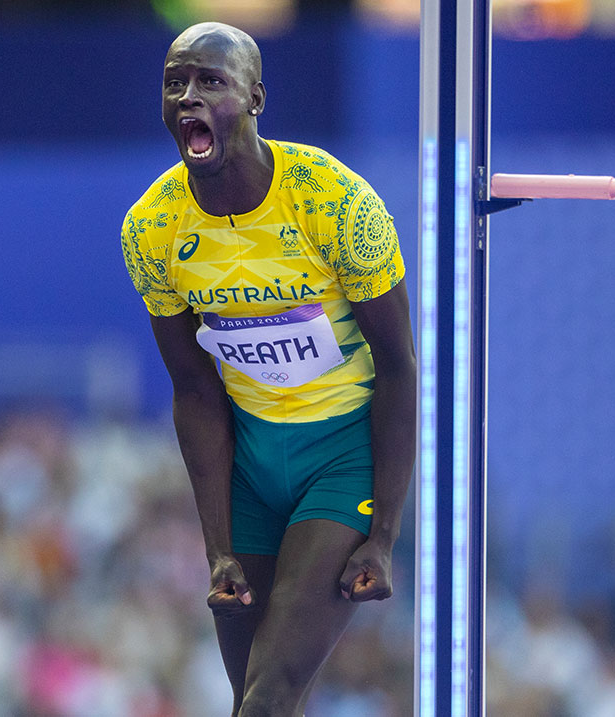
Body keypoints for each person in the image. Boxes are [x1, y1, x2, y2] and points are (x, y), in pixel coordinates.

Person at [121, 21, 416, 716]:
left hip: (340, 458)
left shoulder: (336, 203)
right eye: (174, 84)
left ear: (255, 97)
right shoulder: (152, 228)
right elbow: (193, 389)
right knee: (254, 698)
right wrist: (217, 546)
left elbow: (399, 367)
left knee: (269, 695)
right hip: (251, 464)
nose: (188, 97)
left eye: (210, 82)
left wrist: (383, 534)